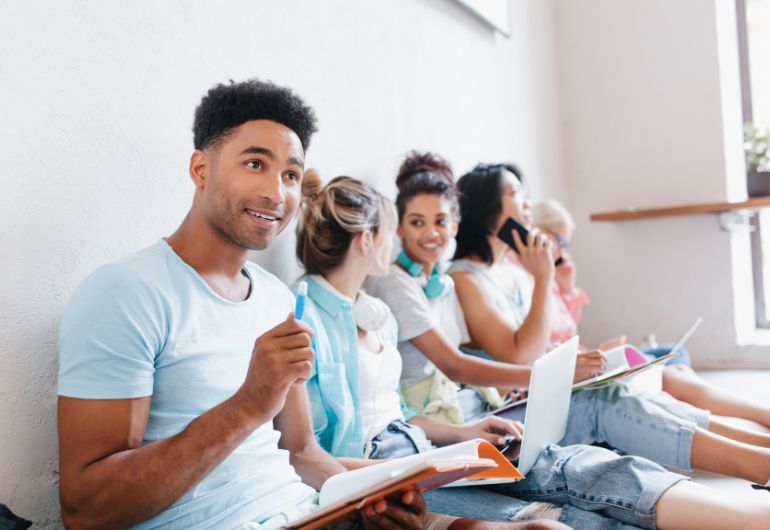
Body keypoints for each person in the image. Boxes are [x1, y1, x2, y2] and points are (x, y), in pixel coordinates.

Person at [295, 164, 770, 529]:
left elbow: (397, 411)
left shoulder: (379, 307)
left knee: (571, 462)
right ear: (365, 241)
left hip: (424, 441)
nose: (411, 235)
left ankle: (751, 505)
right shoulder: (315, 316)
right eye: (402, 224)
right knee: (556, 510)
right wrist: (431, 458)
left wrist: (464, 434)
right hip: (394, 466)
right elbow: (312, 449)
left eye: (438, 220)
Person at [56, 79, 430, 530]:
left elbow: (302, 452)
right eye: (255, 163)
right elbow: (86, 512)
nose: (277, 193)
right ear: (200, 169)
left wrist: (373, 501)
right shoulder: (124, 293)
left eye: (291, 175)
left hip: (309, 513)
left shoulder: (275, 297)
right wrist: (248, 405)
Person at [446, 161, 770, 481]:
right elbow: (520, 356)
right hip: (511, 409)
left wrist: (584, 360)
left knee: (631, 388)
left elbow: (543, 345)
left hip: (540, 390)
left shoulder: (508, 272)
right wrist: (545, 280)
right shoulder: (466, 278)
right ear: (488, 207)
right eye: (516, 193)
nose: (527, 204)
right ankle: (760, 464)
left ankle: (762, 452)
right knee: (608, 399)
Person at [529, 198, 770, 434]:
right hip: (571, 373)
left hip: (583, 362)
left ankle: (680, 400)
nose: (562, 250)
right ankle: (685, 404)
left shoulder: (548, 278)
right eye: (559, 240)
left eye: (565, 244)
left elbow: (568, 335)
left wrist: (567, 291)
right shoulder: (530, 283)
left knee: (674, 355)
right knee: (674, 374)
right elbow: (544, 350)